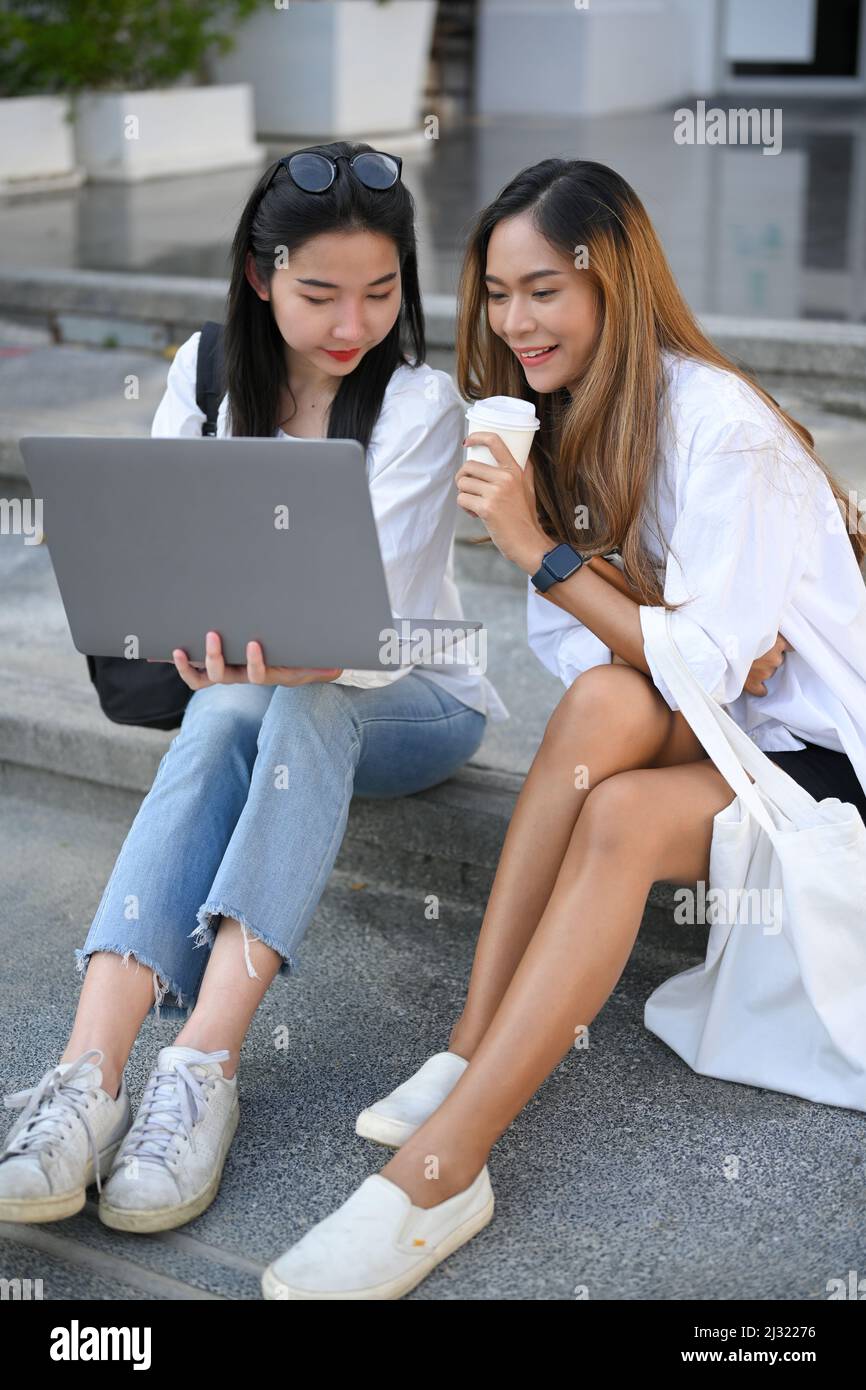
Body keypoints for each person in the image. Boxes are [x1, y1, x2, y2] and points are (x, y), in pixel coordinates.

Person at [261, 157, 866, 1300]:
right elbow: (608, 662)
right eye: (494, 293)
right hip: (723, 723)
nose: (513, 321)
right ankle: (467, 1044)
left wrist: (543, 551)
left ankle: (442, 1172)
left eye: (543, 288)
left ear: (613, 281)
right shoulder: (570, 418)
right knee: (599, 701)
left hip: (825, 753)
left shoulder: (716, 426)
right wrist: (651, 618)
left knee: (626, 811)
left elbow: (700, 659)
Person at [0, 142, 508, 1231]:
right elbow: (154, 539)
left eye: (380, 293)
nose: (350, 322)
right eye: (318, 291)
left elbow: (367, 641)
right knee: (237, 700)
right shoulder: (203, 370)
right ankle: (89, 1075)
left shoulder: (418, 405)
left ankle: (202, 1065)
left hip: (413, 702)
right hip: (253, 687)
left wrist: (273, 652)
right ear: (258, 273)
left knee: (306, 695)